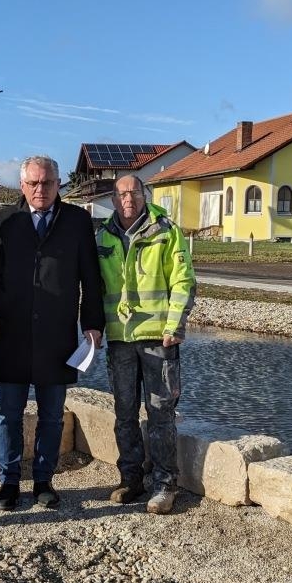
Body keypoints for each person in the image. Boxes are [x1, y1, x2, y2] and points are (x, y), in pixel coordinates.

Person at [0, 155, 104, 511]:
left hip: (57, 335)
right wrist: (2, 308)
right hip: (12, 334)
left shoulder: (78, 221)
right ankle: (8, 483)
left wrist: (92, 324)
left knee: (52, 414)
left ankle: (44, 480)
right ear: (22, 185)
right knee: (8, 414)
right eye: (33, 183)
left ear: (58, 184)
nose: (40, 189)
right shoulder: (7, 219)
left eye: (47, 183)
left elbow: (91, 279)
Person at [96, 174, 196, 514]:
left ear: (144, 195)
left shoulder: (165, 231)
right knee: (124, 414)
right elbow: (93, 288)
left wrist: (175, 325)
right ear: (113, 199)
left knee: (160, 414)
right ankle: (131, 479)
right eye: (122, 194)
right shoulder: (103, 236)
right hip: (120, 339)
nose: (129, 199)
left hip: (159, 338)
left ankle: (165, 484)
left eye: (135, 193)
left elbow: (184, 281)